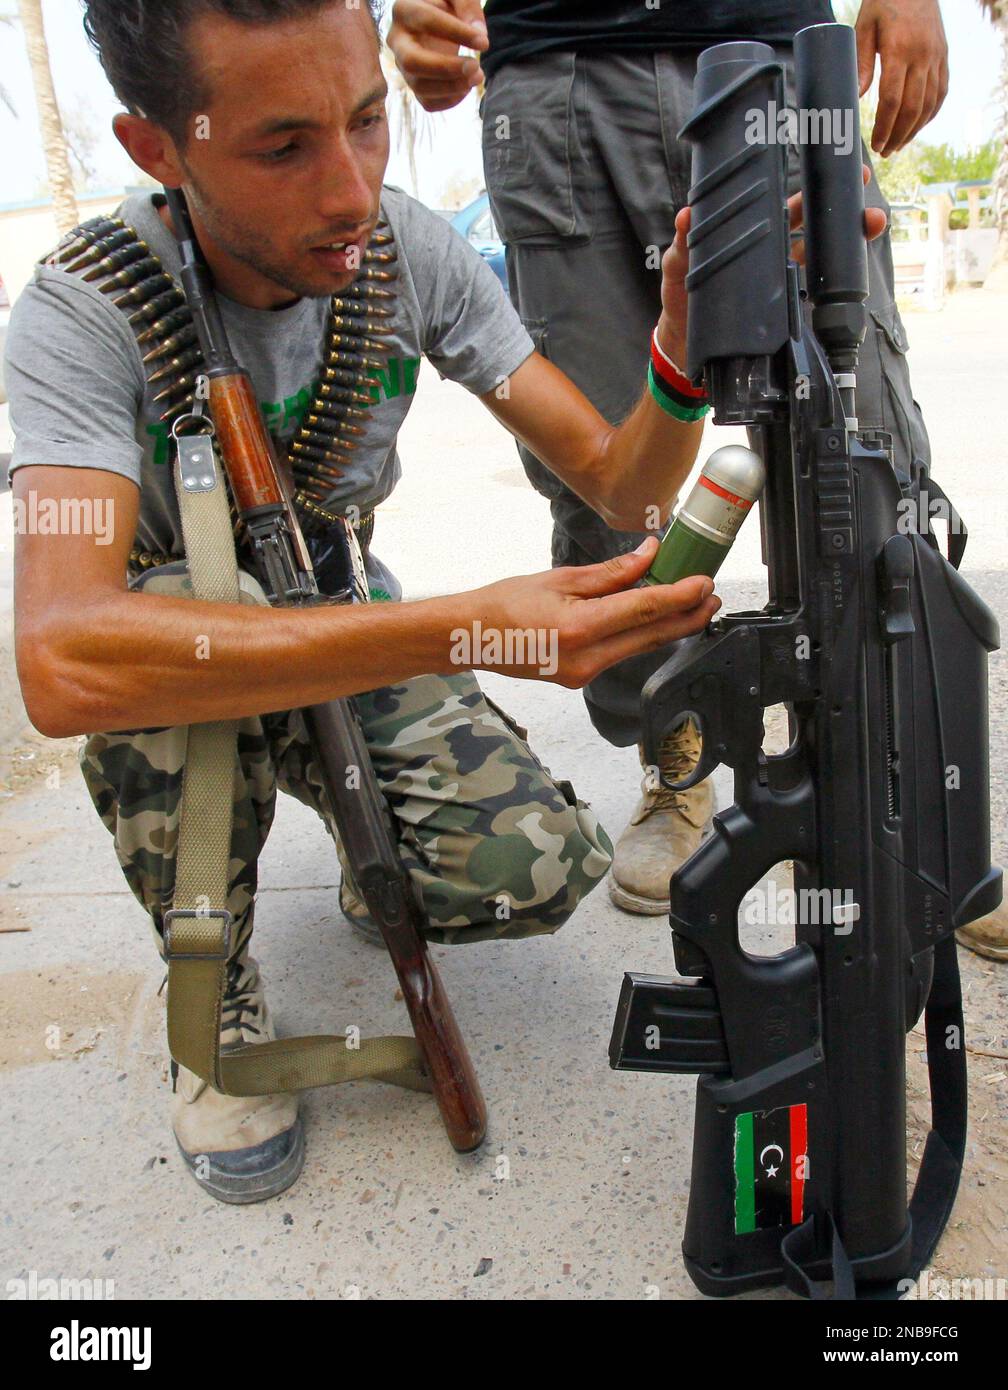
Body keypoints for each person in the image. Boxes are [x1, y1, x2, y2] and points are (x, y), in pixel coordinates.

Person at [5, 0, 724, 1204]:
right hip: (184, 678)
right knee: (164, 631)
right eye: (283, 147)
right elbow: (64, 656)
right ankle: (211, 979)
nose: (350, 191)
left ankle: (362, 832)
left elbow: (615, 478)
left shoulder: (402, 253)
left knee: (530, 866)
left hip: (342, 624)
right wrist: (463, 623)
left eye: (368, 121)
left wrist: (680, 358)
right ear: (157, 151)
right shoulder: (83, 312)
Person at [387, 0, 968, 926]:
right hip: (553, 74)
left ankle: (910, 796)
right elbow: (612, 474)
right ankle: (678, 761)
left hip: (777, 51)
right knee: (608, 503)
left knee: (866, 458)